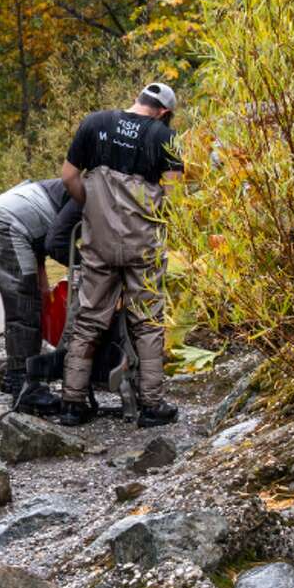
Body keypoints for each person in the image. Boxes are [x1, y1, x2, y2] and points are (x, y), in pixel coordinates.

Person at [56, 83, 184, 429]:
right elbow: (173, 197)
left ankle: (72, 403)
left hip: (98, 241)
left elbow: (68, 176)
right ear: (164, 112)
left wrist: (94, 208)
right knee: (147, 319)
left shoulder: (94, 123)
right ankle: (151, 406)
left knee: (89, 319)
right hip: (144, 243)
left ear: (139, 100)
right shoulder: (164, 137)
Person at [0, 177, 82, 403]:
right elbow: (56, 242)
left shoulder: (71, 187)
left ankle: (16, 375)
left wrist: (43, 282)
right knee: (24, 305)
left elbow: (38, 234)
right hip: (1, 225)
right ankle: (25, 385)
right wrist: (89, 266)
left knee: (27, 301)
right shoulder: (87, 193)